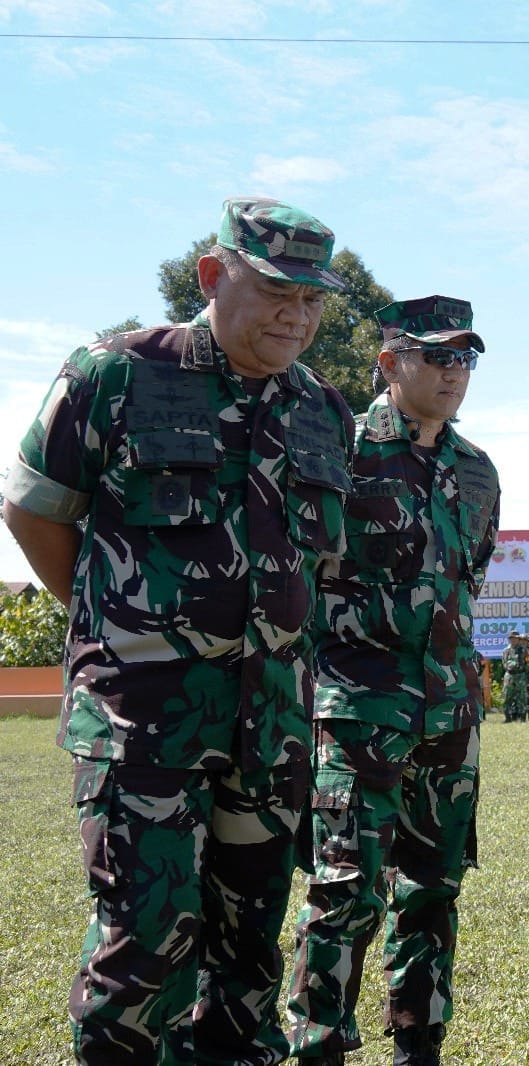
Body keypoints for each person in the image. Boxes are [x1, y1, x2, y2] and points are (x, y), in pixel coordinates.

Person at [1, 197, 355, 1064]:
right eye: (276, 290)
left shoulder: (323, 411)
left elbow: (321, 570)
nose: (296, 316)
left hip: (270, 729)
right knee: (145, 941)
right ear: (212, 276)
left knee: (249, 954)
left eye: (313, 301)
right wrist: (111, 625)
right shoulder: (114, 373)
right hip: (142, 724)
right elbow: (33, 507)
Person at [286, 295, 500, 1066]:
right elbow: (299, 574)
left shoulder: (477, 471)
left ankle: (419, 1043)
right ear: (389, 362)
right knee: (345, 892)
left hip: (449, 714)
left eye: (464, 358)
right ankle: (319, 1047)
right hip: (356, 711)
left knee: (434, 890)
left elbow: (466, 577)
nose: (453, 373)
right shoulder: (338, 453)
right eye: (436, 356)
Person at [502, 631, 529, 720]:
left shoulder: (524, 650)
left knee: (522, 697)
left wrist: (523, 672)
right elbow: (504, 663)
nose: (513, 640)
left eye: (515, 638)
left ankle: (523, 717)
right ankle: (508, 717)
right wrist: (510, 669)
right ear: (509, 639)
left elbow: (528, 663)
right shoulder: (506, 650)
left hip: (520, 675)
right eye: (511, 638)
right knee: (507, 696)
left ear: (518, 639)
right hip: (509, 676)